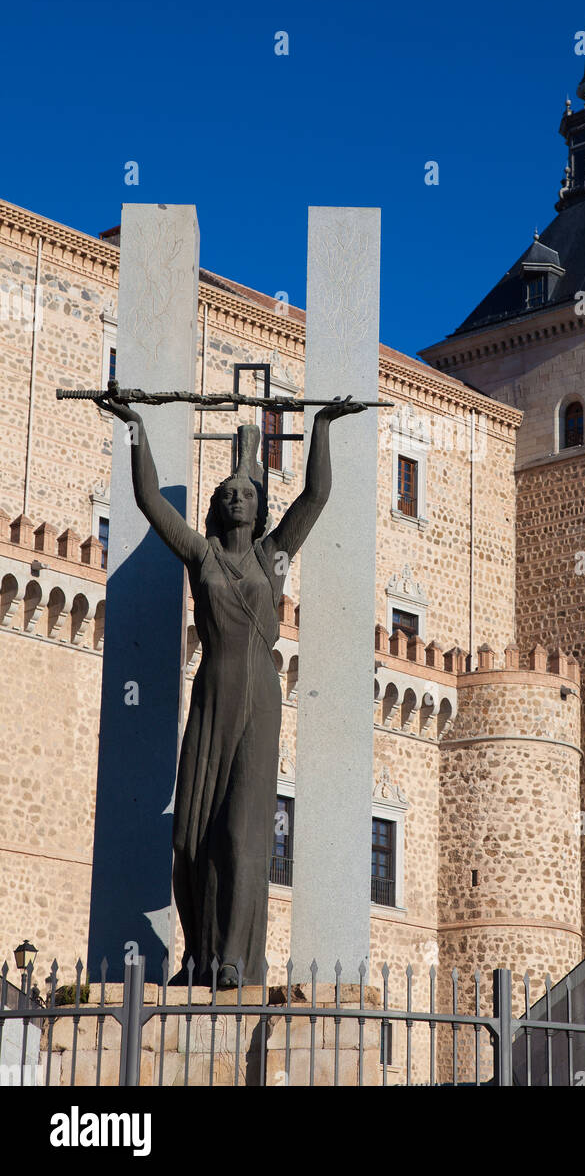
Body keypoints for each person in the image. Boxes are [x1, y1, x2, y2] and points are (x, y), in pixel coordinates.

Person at [99, 393, 365, 986]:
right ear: (218, 510)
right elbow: (148, 500)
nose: (235, 496)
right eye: (226, 493)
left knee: (244, 835)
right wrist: (136, 428)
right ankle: (199, 954)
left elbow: (315, 496)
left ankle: (236, 960)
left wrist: (320, 426)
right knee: (192, 834)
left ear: (260, 506)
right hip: (211, 697)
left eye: (246, 492)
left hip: (260, 703)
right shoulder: (202, 556)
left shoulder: (274, 557)